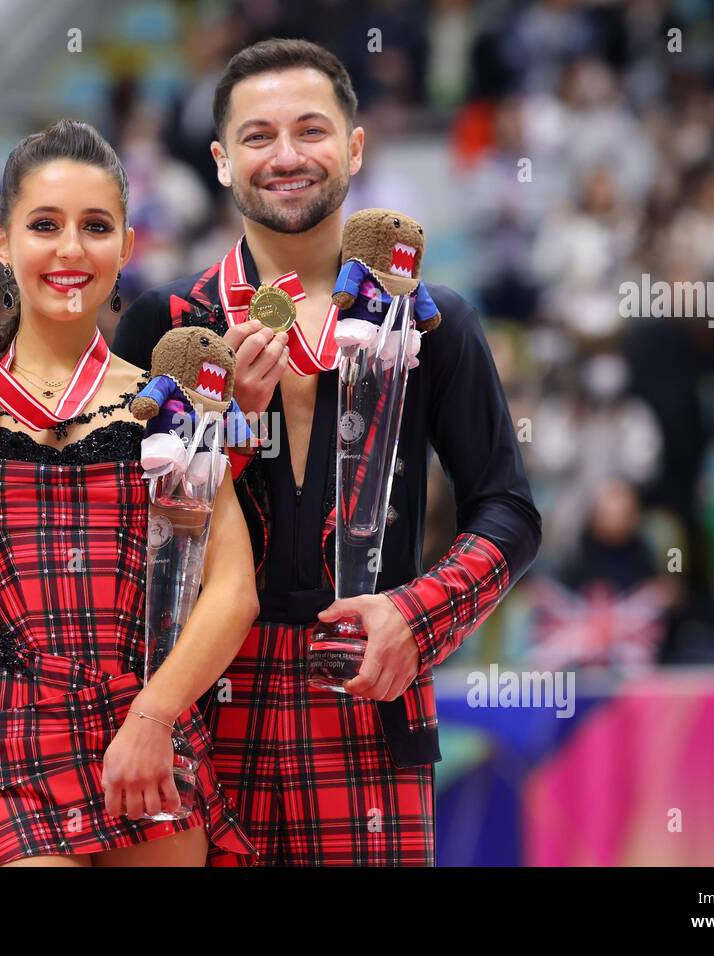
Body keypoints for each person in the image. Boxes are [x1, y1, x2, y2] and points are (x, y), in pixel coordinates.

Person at [113, 39, 542, 865]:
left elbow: (510, 512)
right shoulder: (166, 325)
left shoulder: (431, 319)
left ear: (354, 147)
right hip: (202, 702)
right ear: (220, 161)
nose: (285, 156)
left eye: (310, 131)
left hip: (368, 695)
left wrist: (417, 615)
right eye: (257, 136)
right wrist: (225, 431)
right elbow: (138, 538)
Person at [0, 119, 258, 867]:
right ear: (1, 240)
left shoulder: (173, 399)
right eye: (44, 225)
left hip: (145, 716)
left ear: (125, 246)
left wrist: (155, 717)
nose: (69, 250)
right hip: (9, 729)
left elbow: (234, 590)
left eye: (95, 227)